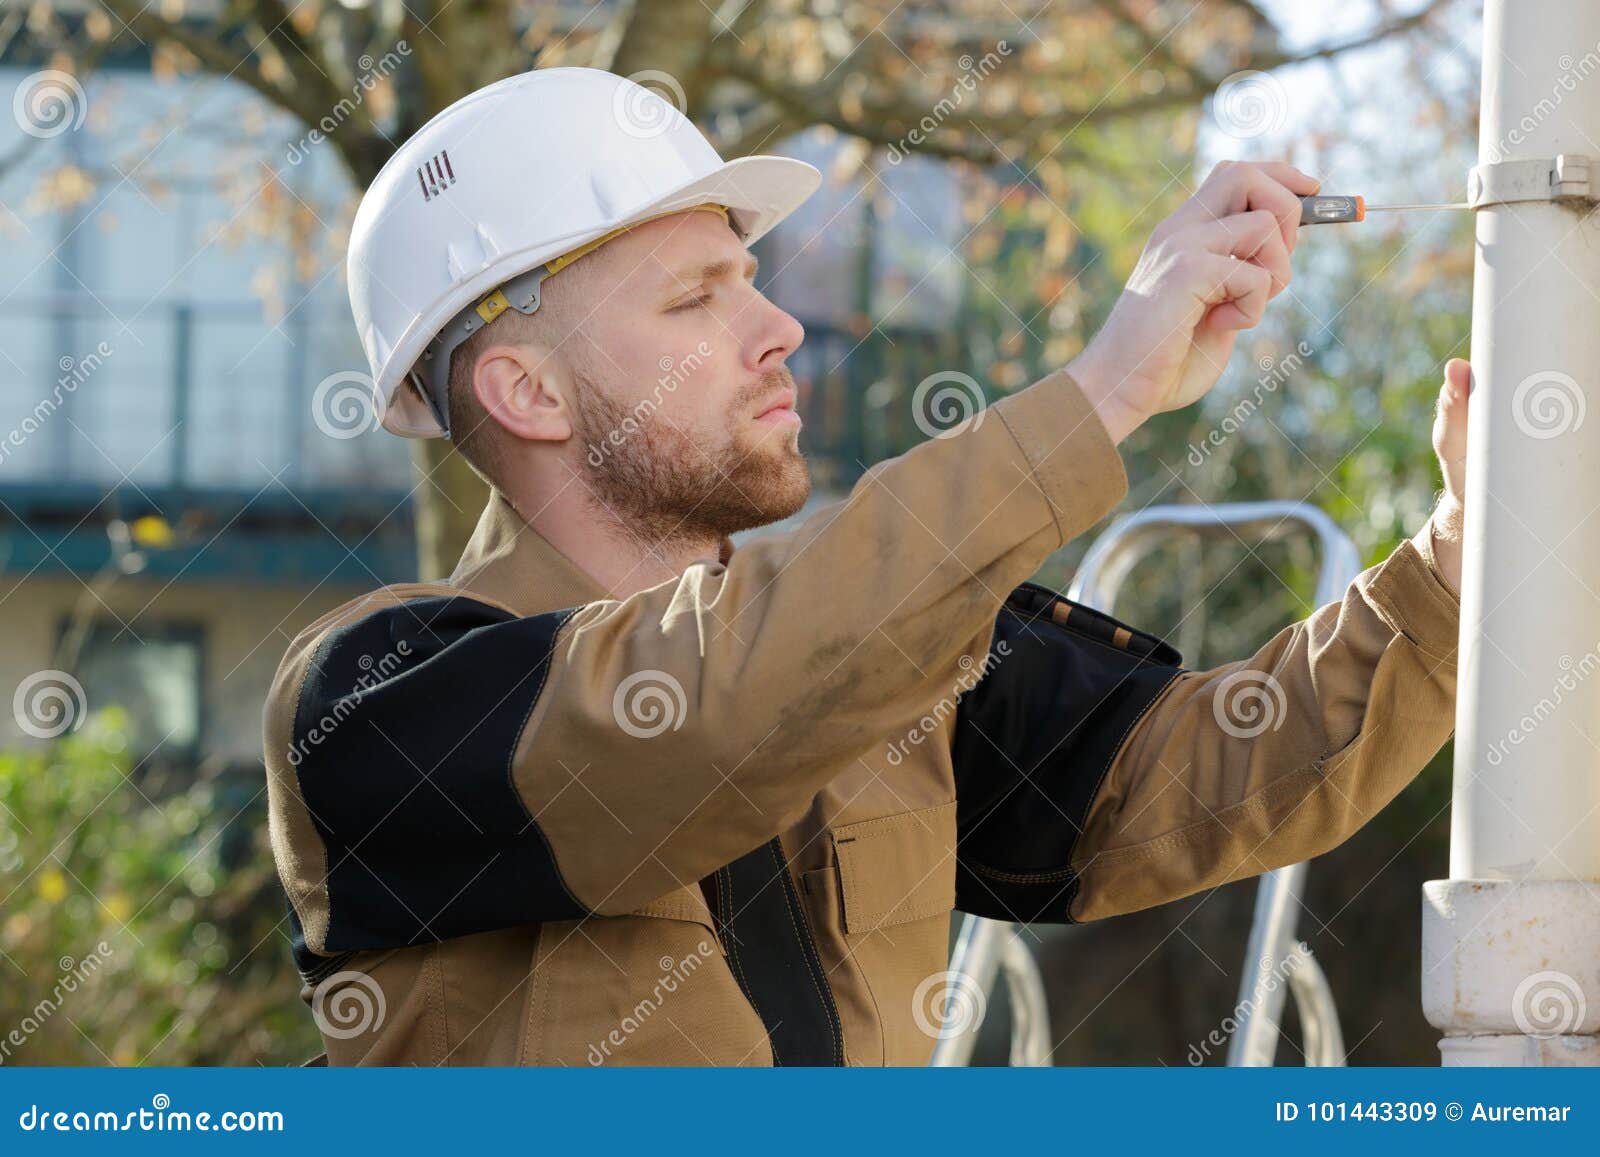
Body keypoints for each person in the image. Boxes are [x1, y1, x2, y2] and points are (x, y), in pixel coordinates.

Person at [263, 67, 1468, 1066]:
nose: (776, 327)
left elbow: (1210, 770)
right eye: (694, 299)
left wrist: (1459, 560)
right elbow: (711, 707)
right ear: (526, 391)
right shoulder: (382, 696)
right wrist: (1101, 394)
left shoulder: (875, 634)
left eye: (751, 280)